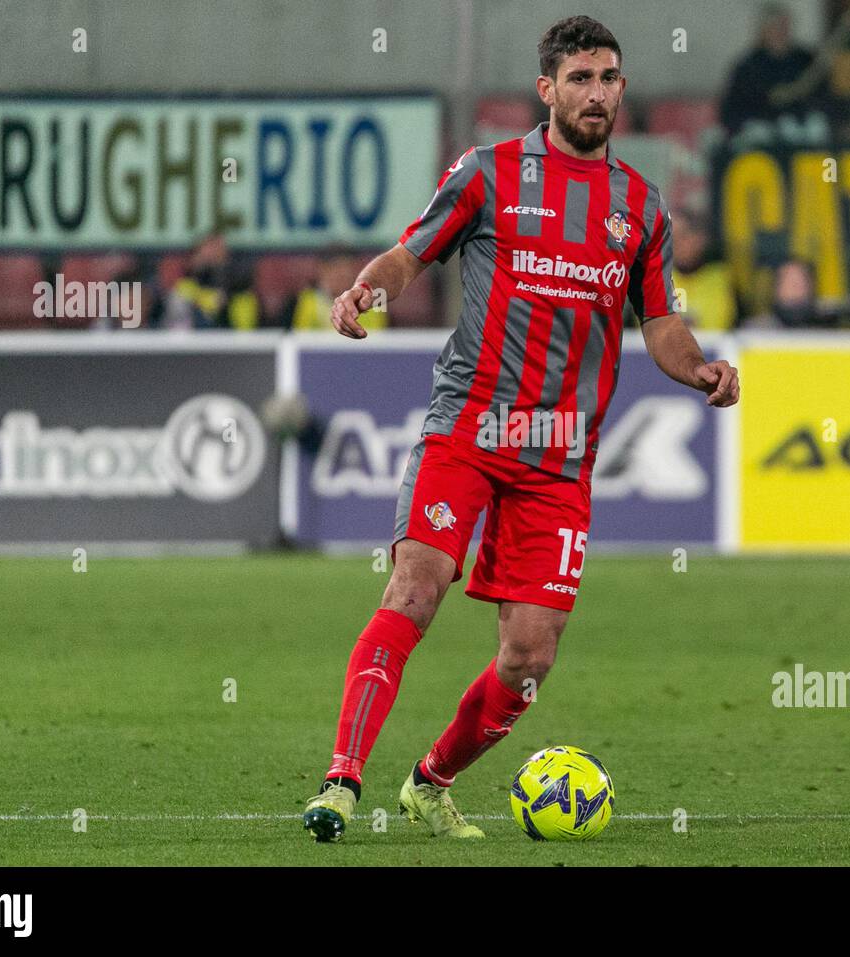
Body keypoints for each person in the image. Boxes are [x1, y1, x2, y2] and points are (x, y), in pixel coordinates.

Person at [302, 15, 740, 842]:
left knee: (529, 655)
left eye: (609, 77)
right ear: (547, 90)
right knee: (415, 585)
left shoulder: (639, 210)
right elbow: (411, 252)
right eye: (580, 78)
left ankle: (429, 782)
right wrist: (367, 289)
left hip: (559, 459)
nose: (597, 92)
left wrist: (701, 368)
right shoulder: (490, 173)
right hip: (468, 428)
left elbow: (661, 325)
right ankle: (342, 780)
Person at [718, 2, 818, 134]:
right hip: (762, 130)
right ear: (763, 30)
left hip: (801, 128)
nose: (781, 32)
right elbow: (731, 110)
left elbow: (822, 97)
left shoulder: (806, 61)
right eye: (775, 27)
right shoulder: (747, 67)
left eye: (784, 26)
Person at [670, 207, 737, 330]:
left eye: (683, 235)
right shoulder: (651, 280)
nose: (676, 243)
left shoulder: (724, 278)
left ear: (700, 238)